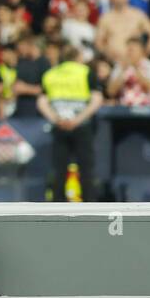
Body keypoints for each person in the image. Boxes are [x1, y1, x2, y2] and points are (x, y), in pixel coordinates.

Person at [38, 44, 103, 201]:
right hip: (81, 125)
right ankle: (89, 206)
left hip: (59, 126)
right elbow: (97, 99)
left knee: (59, 169)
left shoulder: (50, 74)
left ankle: (57, 208)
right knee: (86, 168)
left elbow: (41, 101)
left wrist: (56, 119)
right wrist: (78, 120)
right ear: (78, 58)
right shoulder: (86, 72)